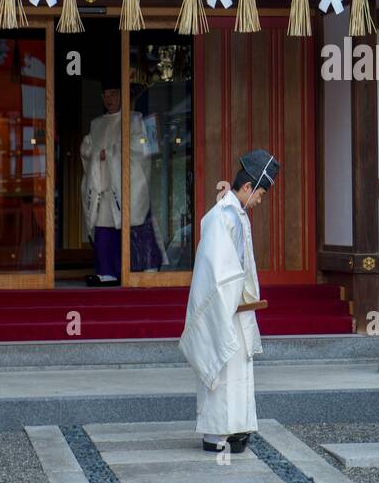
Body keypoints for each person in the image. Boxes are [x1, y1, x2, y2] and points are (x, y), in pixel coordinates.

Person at [179, 149, 279, 454]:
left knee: (238, 370)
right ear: (247, 188)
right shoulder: (221, 216)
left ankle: (235, 429)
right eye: (260, 194)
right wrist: (233, 295)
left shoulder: (235, 213)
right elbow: (215, 267)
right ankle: (216, 435)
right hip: (224, 304)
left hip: (237, 304)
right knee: (223, 369)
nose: (260, 201)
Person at [79, 80, 164, 285]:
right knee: (104, 225)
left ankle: (146, 265)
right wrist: (95, 154)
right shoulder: (96, 124)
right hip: (103, 185)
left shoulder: (135, 120)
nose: (109, 99)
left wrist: (110, 154)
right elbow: (86, 148)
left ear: (122, 96)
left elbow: (143, 147)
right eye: (106, 95)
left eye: (113, 94)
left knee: (136, 221)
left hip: (127, 184)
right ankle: (107, 270)